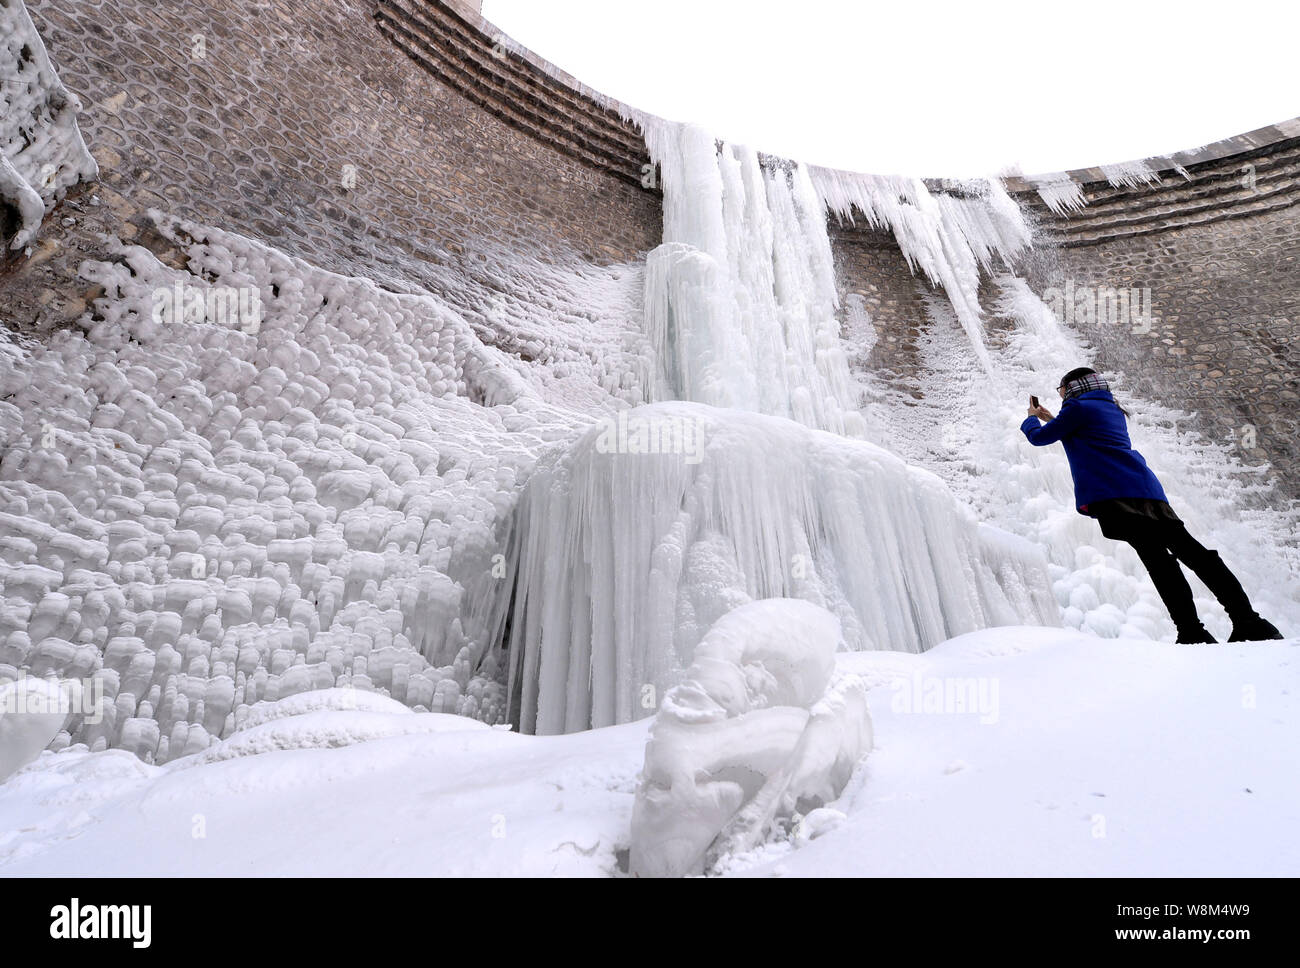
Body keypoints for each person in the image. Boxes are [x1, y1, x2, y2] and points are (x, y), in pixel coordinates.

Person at [1021, 366, 1283, 644]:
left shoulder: (1076, 407)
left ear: (1071, 387)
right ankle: (1248, 621)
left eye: (1060, 389)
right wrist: (1052, 418)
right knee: (1196, 555)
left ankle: (1192, 631)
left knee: (1159, 563)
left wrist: (1031, 419)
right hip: (1147, 492)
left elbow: (1039, 438)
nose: (1060, 394)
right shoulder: (1109, 407)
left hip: (1116, 496)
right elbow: (1087, 436)